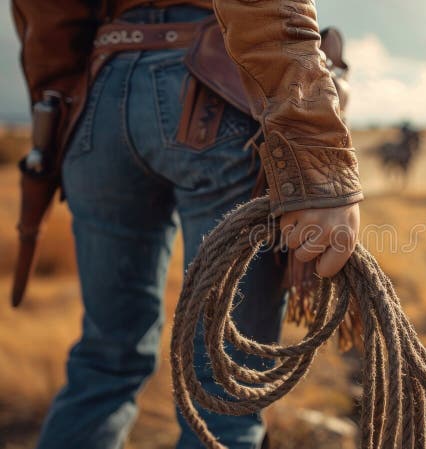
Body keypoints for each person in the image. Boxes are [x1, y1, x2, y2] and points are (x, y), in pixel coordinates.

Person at [12, 1, 362, 448]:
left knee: (103, 362)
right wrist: (321, 157)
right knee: (224, 387)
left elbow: (47, 15)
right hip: (212, 86)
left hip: (98, 93)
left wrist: (61, 98)